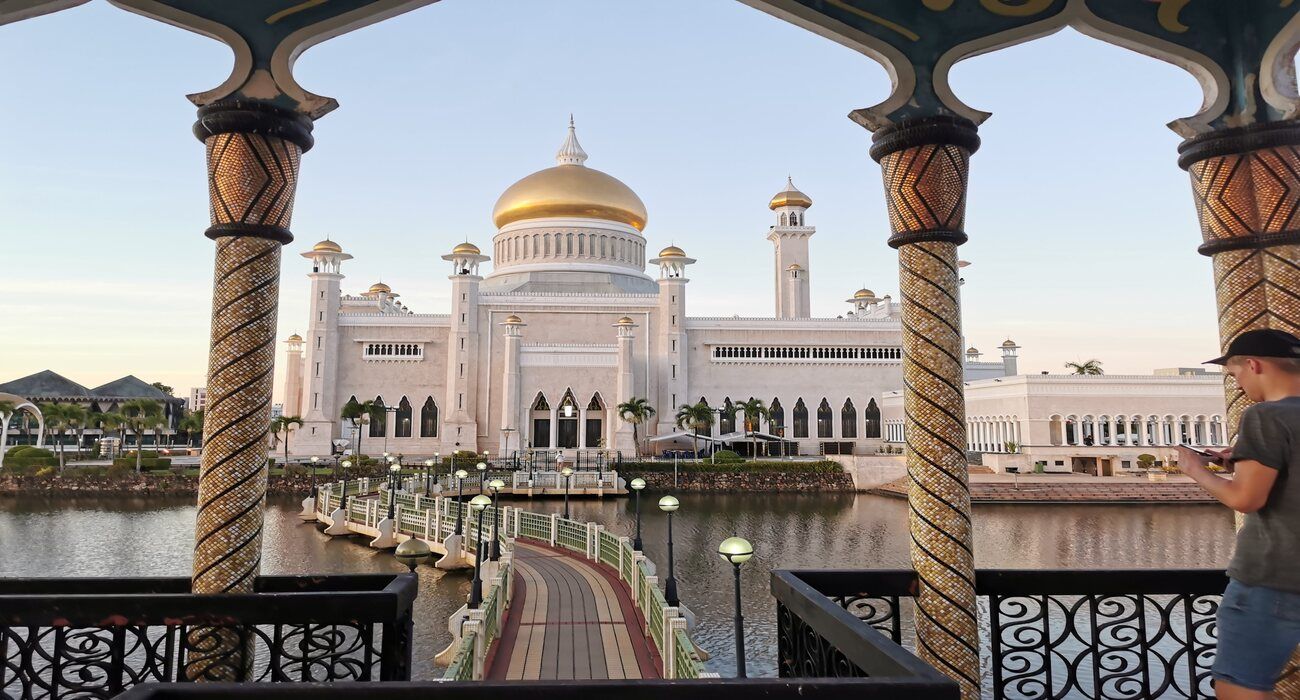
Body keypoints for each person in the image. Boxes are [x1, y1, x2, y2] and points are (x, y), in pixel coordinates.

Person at [1177, 328, 1300, 700]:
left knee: (1240, 687)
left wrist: (1195, 469)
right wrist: (1243, 460)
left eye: (1235, 375)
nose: (1240, 386)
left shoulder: (1265, 416)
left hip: (1275, 579)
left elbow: (1246, 499)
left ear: (1253, 365)